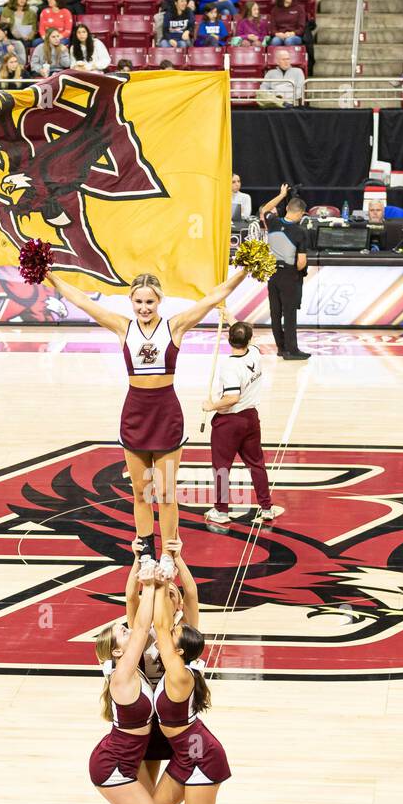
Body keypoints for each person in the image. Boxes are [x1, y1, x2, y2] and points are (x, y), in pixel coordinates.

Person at [47, 266, 246, 555]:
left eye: (149, 302)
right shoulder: (122, 327)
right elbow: (83, 301)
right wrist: (50, 276)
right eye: (138, 302)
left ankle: (169, 551)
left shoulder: (174, 326)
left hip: (166, 415)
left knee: (165, 493)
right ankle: (146, 548)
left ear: (159, 301)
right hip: (135, 415)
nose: (143, 308)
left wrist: (243, 272)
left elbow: (214, 296)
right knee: (140, 492)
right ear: (131, 301)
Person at [86, 571, 173, 804]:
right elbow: (140, 624)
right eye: (122, 633)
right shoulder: (122, 673)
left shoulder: (126, 669)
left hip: (119, 759)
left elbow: (139, 626)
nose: (128, 630)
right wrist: (148, 584)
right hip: (114, 764)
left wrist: (149, 583)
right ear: (117, 650)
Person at [148, 583, 232, 804]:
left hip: (202, 756)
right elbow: (165, 626)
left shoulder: (180, 674)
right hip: (186, 752)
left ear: (179, 651)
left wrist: (159, 584)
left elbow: (161, 626)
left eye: (176, 633)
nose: (170, 631)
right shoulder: (181, 666)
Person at [203, 320, 283, 523]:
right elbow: (244, 332)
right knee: (257, 464)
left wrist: (210, 406)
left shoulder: (230, 366)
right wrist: (226, 312)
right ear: (249, 339)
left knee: (221, 467)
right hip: (250, 419)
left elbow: (232, 397)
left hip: (229, 421)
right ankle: (266, 508)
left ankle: (221, 512)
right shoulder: (255, 353)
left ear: (228, 339)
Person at [260, 184, 309, 359]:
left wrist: (281, 194)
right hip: (289, 274)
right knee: (289, 314)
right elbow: (301, 262)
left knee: (275, 313)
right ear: (301, 213)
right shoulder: (300, 232)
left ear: (287, 208)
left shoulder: (272, 222)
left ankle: (281, 349)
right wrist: (294, 272)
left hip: (272, 273)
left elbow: (264, 208)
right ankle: (292, 351)